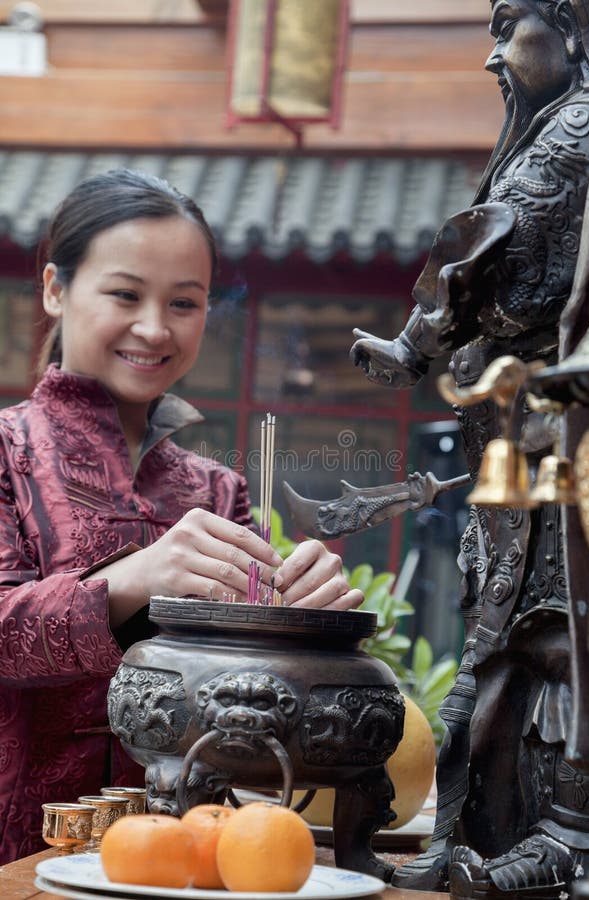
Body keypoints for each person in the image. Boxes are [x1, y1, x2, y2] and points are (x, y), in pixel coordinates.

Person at [0, 168, 363, 864]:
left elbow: (246, 700)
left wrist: (305, 624)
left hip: (186, 852)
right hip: (17, 852)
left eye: (185, 303)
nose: (154, 327)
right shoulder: (8, 450)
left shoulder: (217, 490)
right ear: (55, 288)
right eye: (125, 294)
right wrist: (128, 580)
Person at [351, 1, 589, 897]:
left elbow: (488, 248)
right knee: (510, 635)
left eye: (509, 26)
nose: (494, 55)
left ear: (572, 27)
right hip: (523, 443)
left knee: (564, 635)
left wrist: (418, 341)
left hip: (566, 441)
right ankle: (490, 827)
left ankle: (569, 835)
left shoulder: (579, 121)